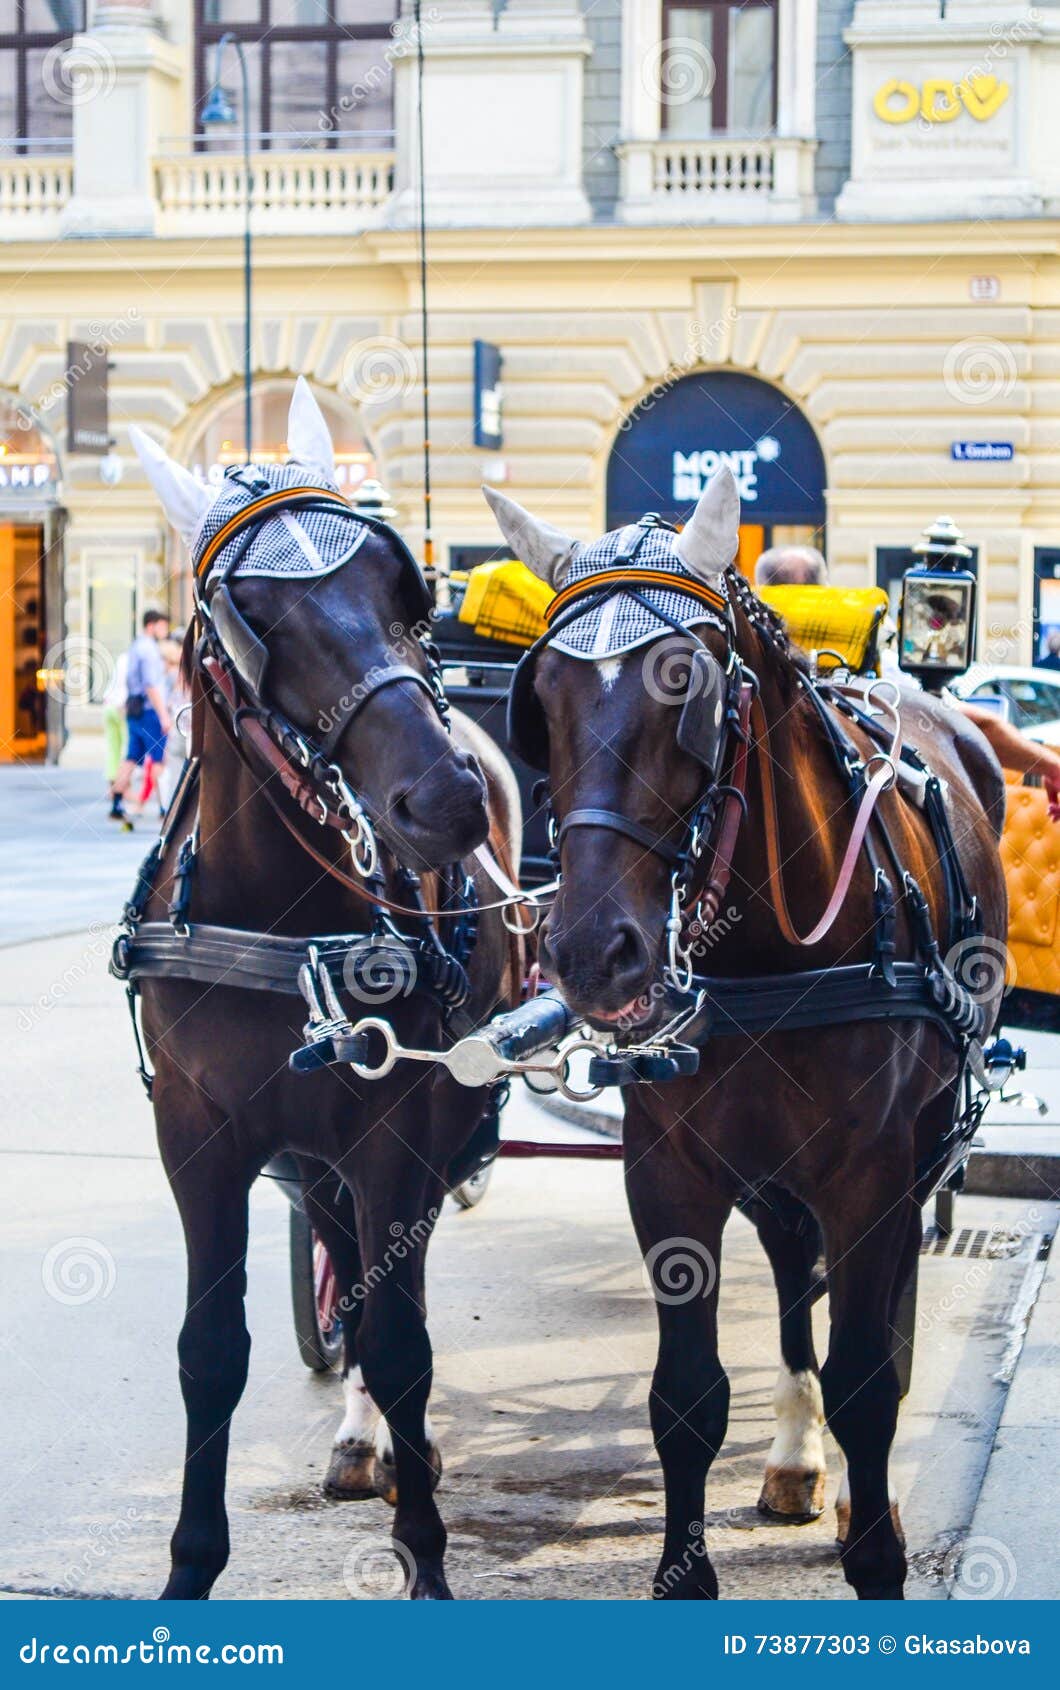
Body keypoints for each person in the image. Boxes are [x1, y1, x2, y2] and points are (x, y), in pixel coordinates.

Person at [754, 542, 1060, 819]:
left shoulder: (743, 651)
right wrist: (1050, 765)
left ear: (761, 590)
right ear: (826, 590)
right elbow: (967, 728)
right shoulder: (868, 644)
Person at [108, 609, 171, 823]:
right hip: (149, 710)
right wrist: (163, 715)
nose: (165, 631)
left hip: (134, 709)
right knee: (159, 759)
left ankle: (116, 802)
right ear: (152, 625)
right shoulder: (149, 650)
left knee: (131, 757)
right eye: (163, 626)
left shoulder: (135, 646)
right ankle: (164, 807)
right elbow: (151, 685)